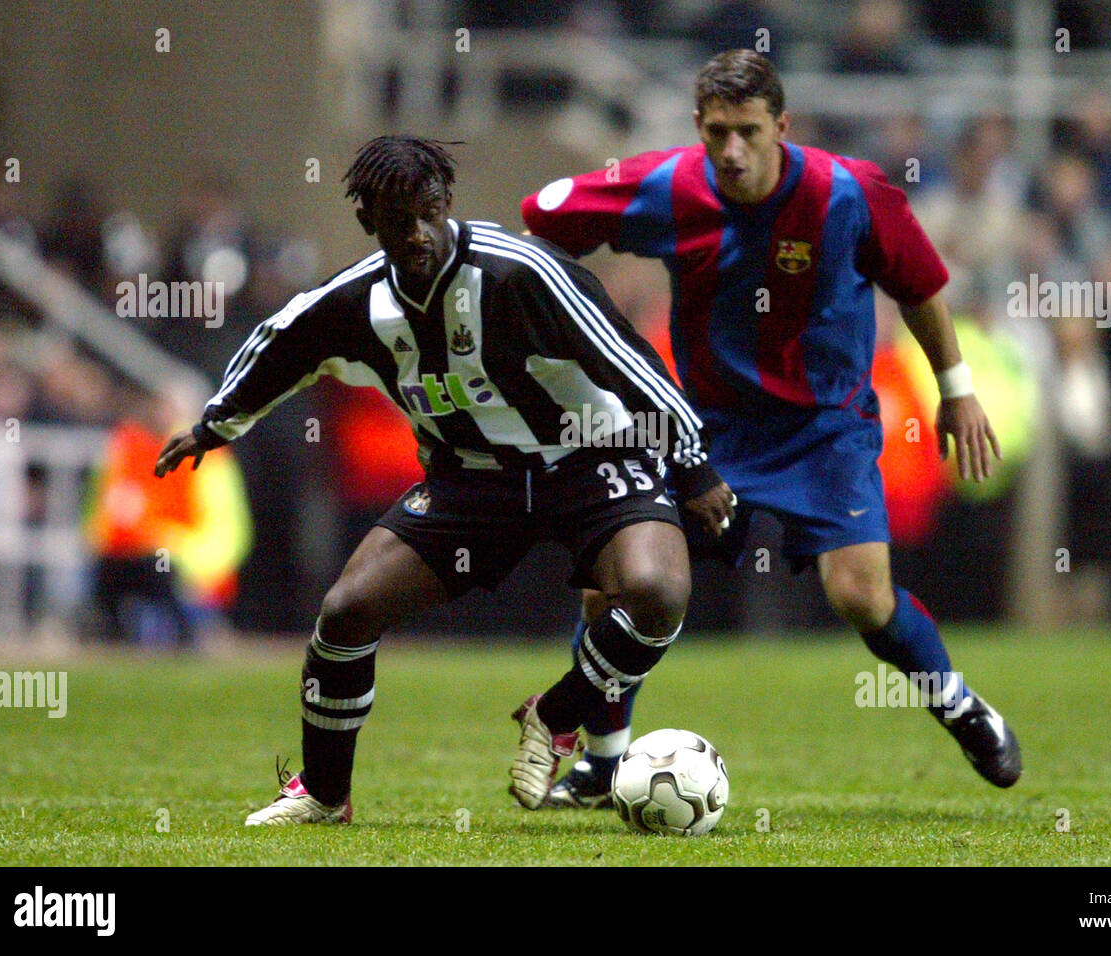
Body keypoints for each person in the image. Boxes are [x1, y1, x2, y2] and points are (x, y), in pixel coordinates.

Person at [155, 135, 733, 823]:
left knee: (658, 591)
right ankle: (324, 793)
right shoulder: (355, 299)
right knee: (345, 612)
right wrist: (216, 425)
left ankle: (553, 718)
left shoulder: (520, 271)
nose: (419, 232)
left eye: (430, 212)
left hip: (590, 458)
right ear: (370, 222)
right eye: (399, 221)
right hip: (471, 484)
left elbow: (624, 359)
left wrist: (692, 466)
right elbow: (279, 346)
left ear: (447, 203)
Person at [521, 49, 1021, 807]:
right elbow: (544, 218)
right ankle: (603, 761)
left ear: (781, 127)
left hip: (824, 429)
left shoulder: (848, 193)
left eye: (749, 132)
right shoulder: (667, 187)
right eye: (717, 132)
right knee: (615, 580)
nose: (732, 151)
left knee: (860, 596)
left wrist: (956, 391)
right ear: (698, 127)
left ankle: (958, 703)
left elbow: (918, 284)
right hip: (701, 430)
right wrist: (578, 321)